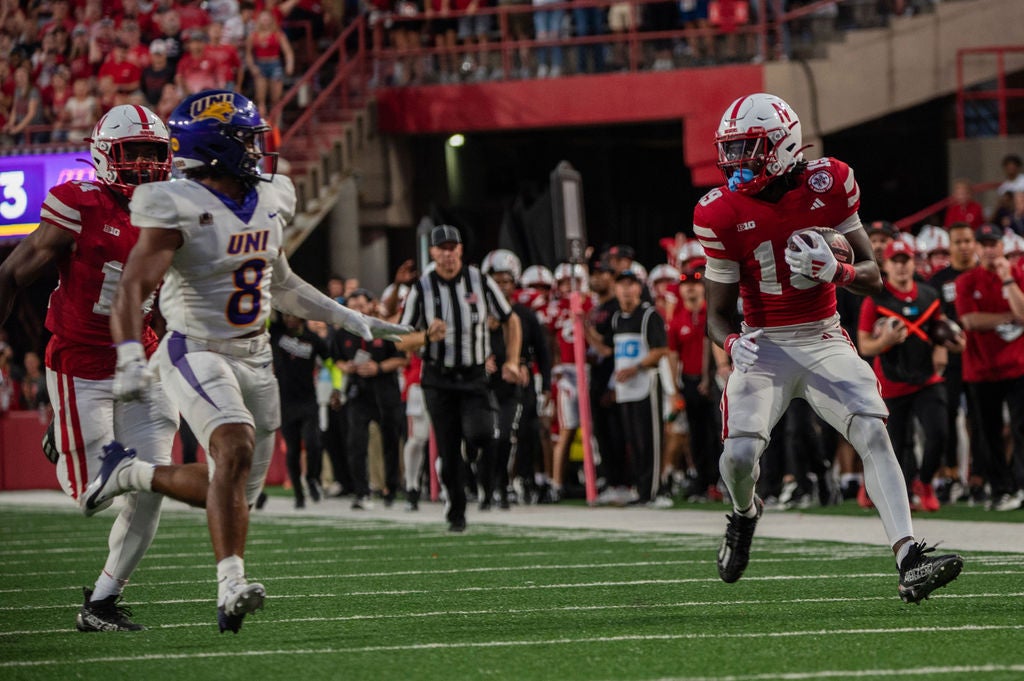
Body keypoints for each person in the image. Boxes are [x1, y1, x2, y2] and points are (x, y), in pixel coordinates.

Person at [86, 90, 410, 633]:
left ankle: (132, 472)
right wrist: (127, 357)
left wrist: (351, 318)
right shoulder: (177, 205)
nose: (259, 150)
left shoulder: (268, 198)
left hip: (256, 356)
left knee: (236, 489)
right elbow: (132, 288)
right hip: (195, 348)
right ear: (216, 147)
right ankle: (231, 586)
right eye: (246, 139)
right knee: (231, 446)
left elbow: (280, 283)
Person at [696, 92, 963, 603]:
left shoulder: (830, 182)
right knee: (739, 456)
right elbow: (715, 313)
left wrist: (836, 271)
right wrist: (731, 341)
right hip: (764, 344)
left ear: (784, 144)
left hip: (822, 335)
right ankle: (745, 513)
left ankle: (909, 557)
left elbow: (873, 276)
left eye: (748, 147)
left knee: (873, 432)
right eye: (731, 149)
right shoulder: (719, 212)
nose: (736, 161)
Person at [0, 104, 179, 631]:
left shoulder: (174, 209)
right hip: (80, 360)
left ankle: (101, 601)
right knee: (91, 495)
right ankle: (65, 435)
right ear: (104, 155)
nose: (145, 165)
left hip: (141, 357)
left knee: (153, 488)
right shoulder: (80, 203)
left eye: (153, 152)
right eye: (134, 153)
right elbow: (12, 274)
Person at [398, 225, 522, 531]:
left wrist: (513, 360)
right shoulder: (422, 287)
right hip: (438, 379)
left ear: (461, 251)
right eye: (443, 248)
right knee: (448, 447)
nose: (448, 254)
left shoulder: (480, 281)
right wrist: (426, 336)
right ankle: (457, 510)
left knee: (482, 433)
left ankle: (474, 452)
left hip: (474, 374)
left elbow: (511, 319)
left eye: (453, 248)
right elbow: (401, 339)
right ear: (433, 253)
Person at [857, 239, 959, 513]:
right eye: (896, 261)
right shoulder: (876, 299)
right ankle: (880, 490)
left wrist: (944, 347)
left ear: (914, 263)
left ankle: (924, 482)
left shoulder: (929, 294)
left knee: (939, 433)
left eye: (906, 260)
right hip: (892, 380)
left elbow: (939, 327)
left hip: (927, 377)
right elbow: (865, 345)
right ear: (886, 265)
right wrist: (886, 341)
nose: (902, 266)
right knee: (897, 444)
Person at [954, 222, 1024, 512]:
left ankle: (1020, 485)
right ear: (977, 249)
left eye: (993, 244)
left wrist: (1008, 281)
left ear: (1002, 246)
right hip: (981, 368)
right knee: (988, 433)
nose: (988, 250)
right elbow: (970, 320)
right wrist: (1011, 316)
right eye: (983, 245)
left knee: (1022, 429)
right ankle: (1001, 488)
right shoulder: (967, 281)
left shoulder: (1018, 274)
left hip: (1019, 366)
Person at [331, 288, 407, 509]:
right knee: (356, 443)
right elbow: (336, 359)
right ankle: (362, 491)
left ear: (371, 305)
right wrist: (348, 367)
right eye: (352, 307)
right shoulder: (343, 332)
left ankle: (391, 488)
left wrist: (378, 367)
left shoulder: (382, 328)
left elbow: (402, 359)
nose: (357, 311)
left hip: (385, 392)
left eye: (361, 306)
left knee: (391, 442)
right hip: (359, 393)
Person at [609, 269, 670, 505]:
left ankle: (653, 490)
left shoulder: (648, 315)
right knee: (633, 441)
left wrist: (635, 367)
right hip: (626, 388)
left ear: (638, 288)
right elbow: (607, 350)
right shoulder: (617, 318)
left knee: (650, 439)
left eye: (630, 284)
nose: (626, 289)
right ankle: (641, 488)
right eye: (621, 284)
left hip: (646, 383)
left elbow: (660, 350)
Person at [270, 312, 331, 508]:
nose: (289, 319)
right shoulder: (276, 332)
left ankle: (312, 478)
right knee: (293, 450)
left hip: (307, 399)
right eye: (286, 316)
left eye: (292, 316)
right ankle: (298, 493)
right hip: (285, 401)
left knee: (313, 442)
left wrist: (336, 387)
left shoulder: (313, 340)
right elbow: (266, 313)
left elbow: (331, 362)